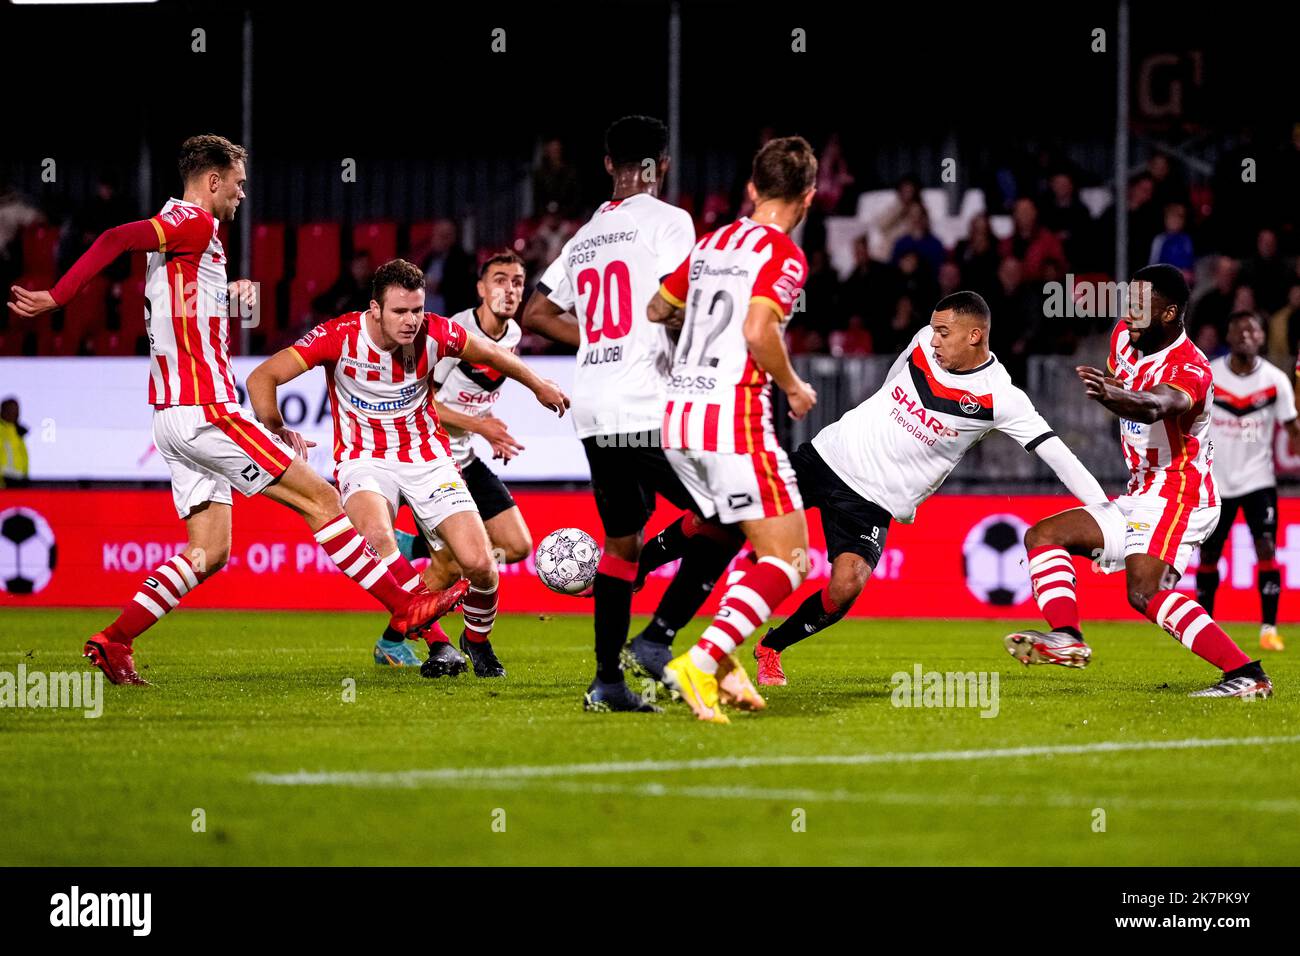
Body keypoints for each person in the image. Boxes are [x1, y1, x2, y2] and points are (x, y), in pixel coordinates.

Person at [7, 135, 461, 685]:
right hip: (204, 408)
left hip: (170, 416)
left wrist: (227, 300)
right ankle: (405, 608)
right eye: (239, 184)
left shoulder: (190, 245)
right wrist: (59, 295)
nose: (243, 194)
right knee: (321, 498)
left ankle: (115, 639)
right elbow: (113, 236)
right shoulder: (192, 222)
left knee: (210, 550)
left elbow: (183, 312)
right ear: (213, 180)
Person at [751, 292, 1107, 684]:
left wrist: (1104, 515)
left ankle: (771, 647)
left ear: (974, 335)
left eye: (943, 332)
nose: (933, 339)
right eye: (934, 330)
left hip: (873, 500)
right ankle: (668, 604)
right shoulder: (923, 341)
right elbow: (893, 379)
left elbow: (1060, 458)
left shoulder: (1002, 399)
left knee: (847, 584)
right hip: (827, 456)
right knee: (731, 517)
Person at [247, 259, 569, 678]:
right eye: (400, 311)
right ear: (375, 309)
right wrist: (276, 429)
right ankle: (439, 644)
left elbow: (491, 352)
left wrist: (539, 385)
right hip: (365, 460)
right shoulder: (339, 336)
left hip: (428, 459)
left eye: (417, 309)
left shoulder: (436, 331)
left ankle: (476, 639)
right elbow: (261, 378)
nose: (411, 321)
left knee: (479, 564)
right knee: (378, 539)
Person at [522, 115, 744, 713]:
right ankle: (656, 640)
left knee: (620, 546)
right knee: (728, 515)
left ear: (607, 165)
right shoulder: (671, 222)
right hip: (648, 401)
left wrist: (597, 337)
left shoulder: (586, 235)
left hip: (594, 405)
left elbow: (534, 315)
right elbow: (677, 305)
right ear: (662, 166)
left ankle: (608, 685)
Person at [1006, 265, 1274, 699]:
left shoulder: (1192, 366)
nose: (1128, 312)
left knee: (1145, 592)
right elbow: (1126, 382)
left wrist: (1118, 397)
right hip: (1142, 490)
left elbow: (1157, 405)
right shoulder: (1123, 340)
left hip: (1181, 491)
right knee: (1043, 536)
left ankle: (1248, 673)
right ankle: (1067, 637)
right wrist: (1115, 388)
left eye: (1138, 304)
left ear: (1169, 313)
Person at [647, 135, 820, 724]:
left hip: (679, 420)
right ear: (810, 197)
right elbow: (755, 331)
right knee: (792, 555)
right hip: (734, 419)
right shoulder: (785, 256)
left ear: (751, 188)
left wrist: (690, 316)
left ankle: (722, 667)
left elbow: (655, 309)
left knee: (744, 538)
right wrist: (793, 386)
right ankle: (700, 660)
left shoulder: (710, 242)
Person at [392, 253, 537, 645]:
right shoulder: (455, 331)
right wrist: (483, 427)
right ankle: (391, 643)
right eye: (500, 279)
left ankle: (413, 544)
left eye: (518, 282)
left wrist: (491, 432)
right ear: (481, 288)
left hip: (466, 457)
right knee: (451, 566)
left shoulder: (512, 336)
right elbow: (423, 401)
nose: (509, 289)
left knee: (518, 546)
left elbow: (476, 395)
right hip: (431, 459)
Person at [1197, 311, 1299, 651]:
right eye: (1239, 330)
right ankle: (1204, 627)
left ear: (1262, 337)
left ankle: (1269, 628)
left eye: (1253, 330)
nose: (1246, 335)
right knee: (1209, 555)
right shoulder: (1210, 375)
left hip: (1258, 479)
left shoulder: (1275, 381)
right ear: (1228, 335)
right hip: (1216, 481)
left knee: (1266, 549)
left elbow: (1292, 433)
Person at [0, 397, 29, 487]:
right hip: (3, 479)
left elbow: (23, 455)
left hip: (19, 479)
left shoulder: (18, 431)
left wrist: (25, 476)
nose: (14, 413)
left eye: (16, 410)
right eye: (10, 409)